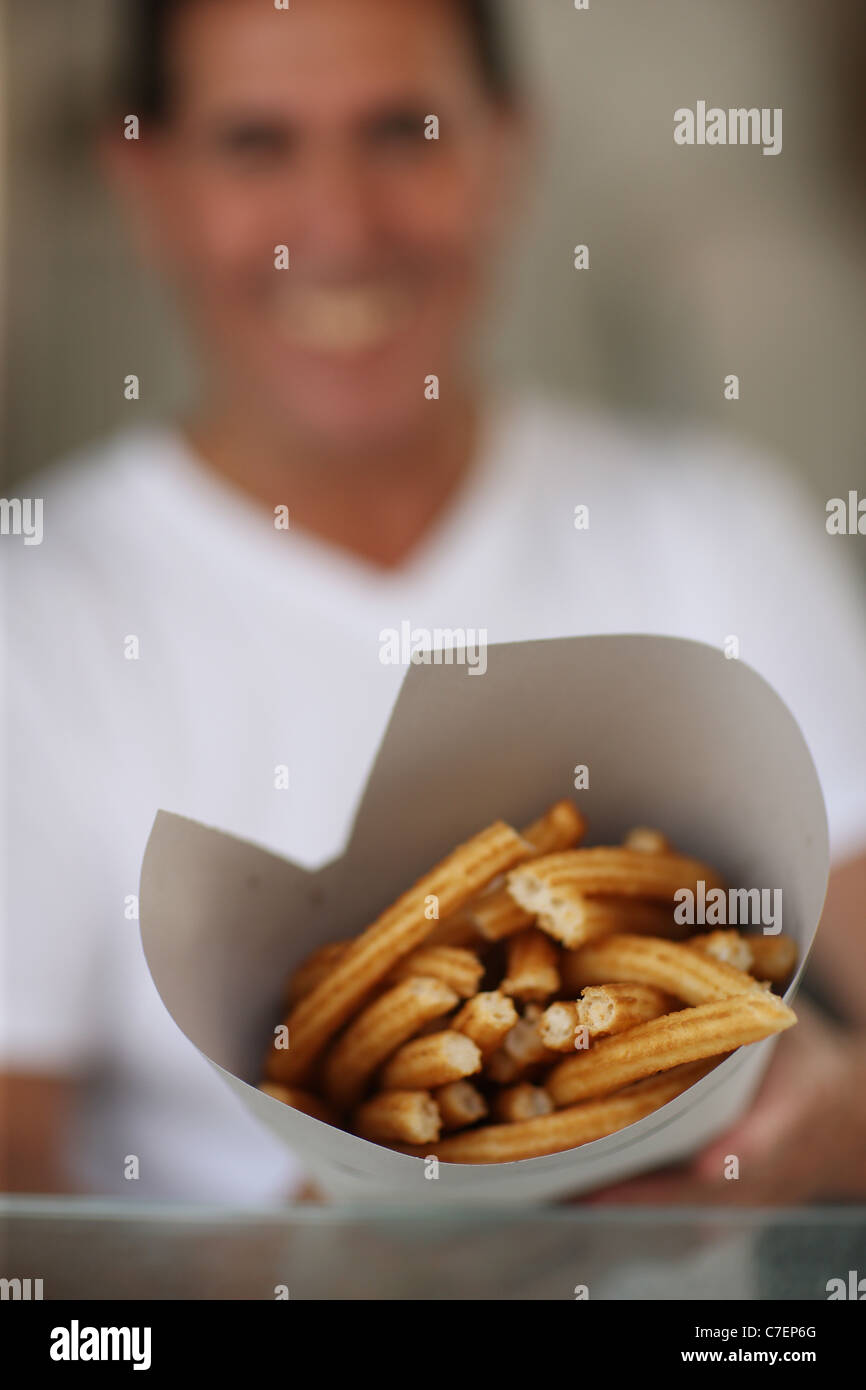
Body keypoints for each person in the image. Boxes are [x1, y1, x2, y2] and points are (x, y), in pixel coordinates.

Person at [2, 0, 865, 1205]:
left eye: (404, 131)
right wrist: (303, 1266)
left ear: (505, 147)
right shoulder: (34, 621)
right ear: (144, 176)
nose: (341, 224)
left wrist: (837, 1129)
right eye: (257, 142)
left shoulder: (716, 532)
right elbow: (20, 1220)